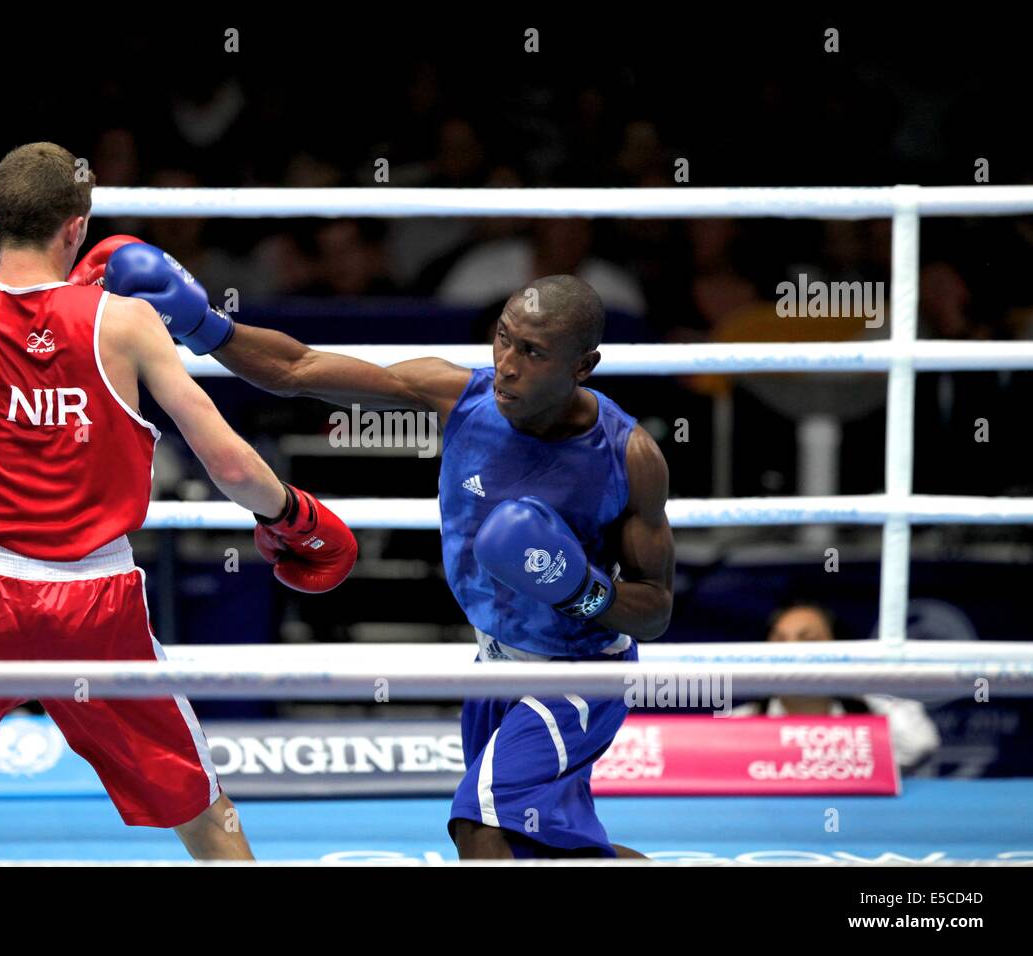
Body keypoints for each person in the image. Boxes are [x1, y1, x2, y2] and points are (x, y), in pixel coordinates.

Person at [0, 143, 357, 860]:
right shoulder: (127, 323)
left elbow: (25, 337)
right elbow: (225, 460)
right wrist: (291, 515)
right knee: (206, 817)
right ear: (78, 227)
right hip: (97, 604)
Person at [100, 240, 675, 859]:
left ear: (582, 366)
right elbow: (299, 369)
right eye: (504, 338)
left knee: (480, 831)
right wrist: (206, 326)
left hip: (578, 676)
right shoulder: (460, 396)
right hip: (497, 666)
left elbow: (655, 609)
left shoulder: (628, 457)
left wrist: (578, 588)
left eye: (533, 353)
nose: (507, 364)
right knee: (548, 847)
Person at [732, 602, 941, 768]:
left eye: (808, 641)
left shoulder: (869, 726)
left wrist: (853, 680)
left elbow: (920, 745)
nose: (791, 651)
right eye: (779, 641)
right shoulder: (739, 725)